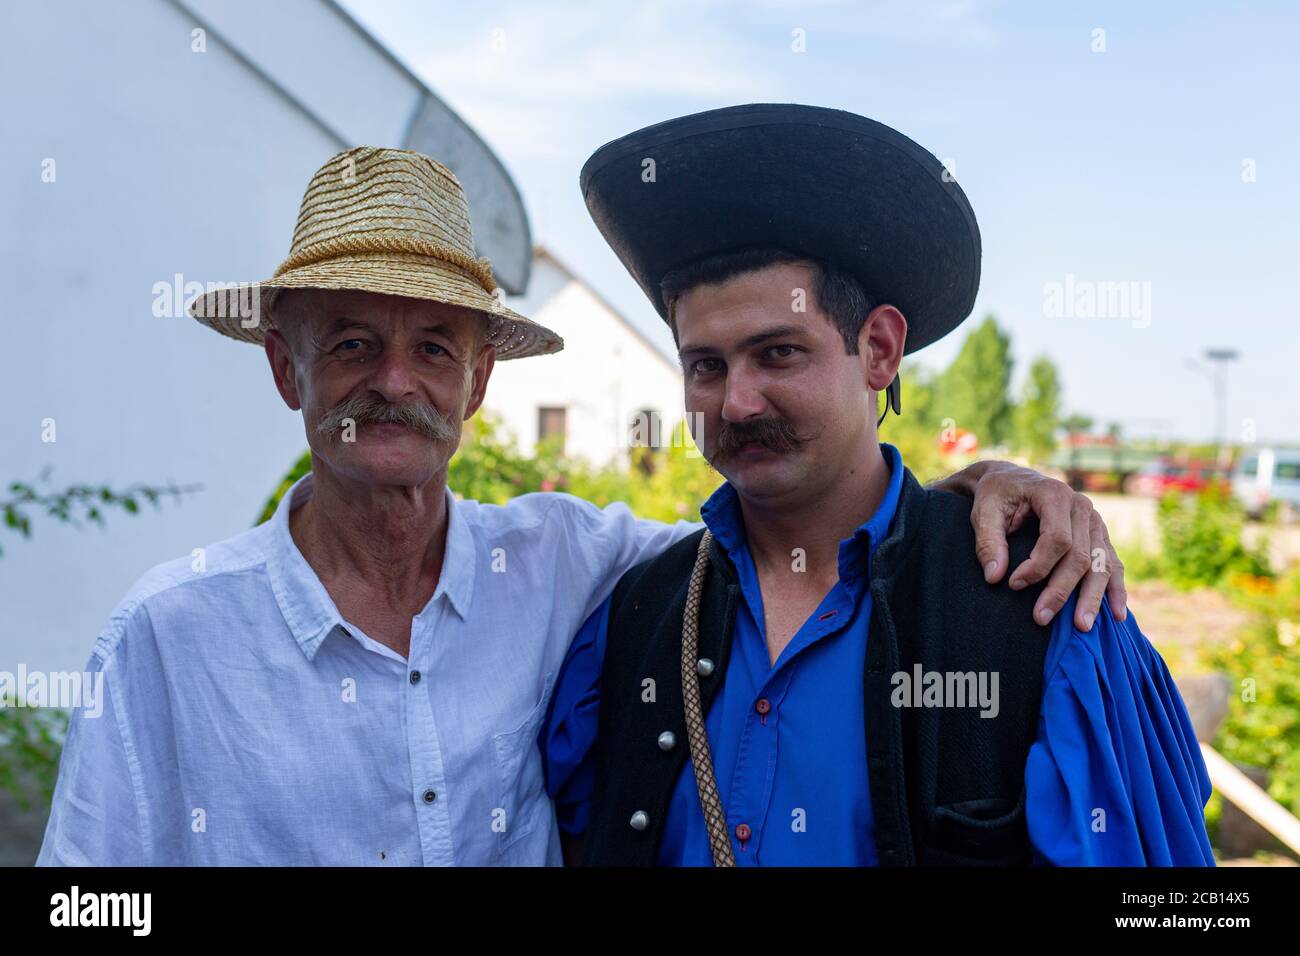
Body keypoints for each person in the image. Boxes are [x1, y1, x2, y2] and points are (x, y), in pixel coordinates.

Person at [39, 145, 1126, 866]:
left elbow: (802, 527)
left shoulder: (567, 564)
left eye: (432, 348)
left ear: (479, 382)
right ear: (288, 370)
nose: (394, 382)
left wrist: (983, 489)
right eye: (352, 344)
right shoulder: (168, 636)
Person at [542, 104, 1213, 866]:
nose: (736, 402)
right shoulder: (634, 613)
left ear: (880, 351)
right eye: (707, 366)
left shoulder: (1049, 605)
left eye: (779, 353)